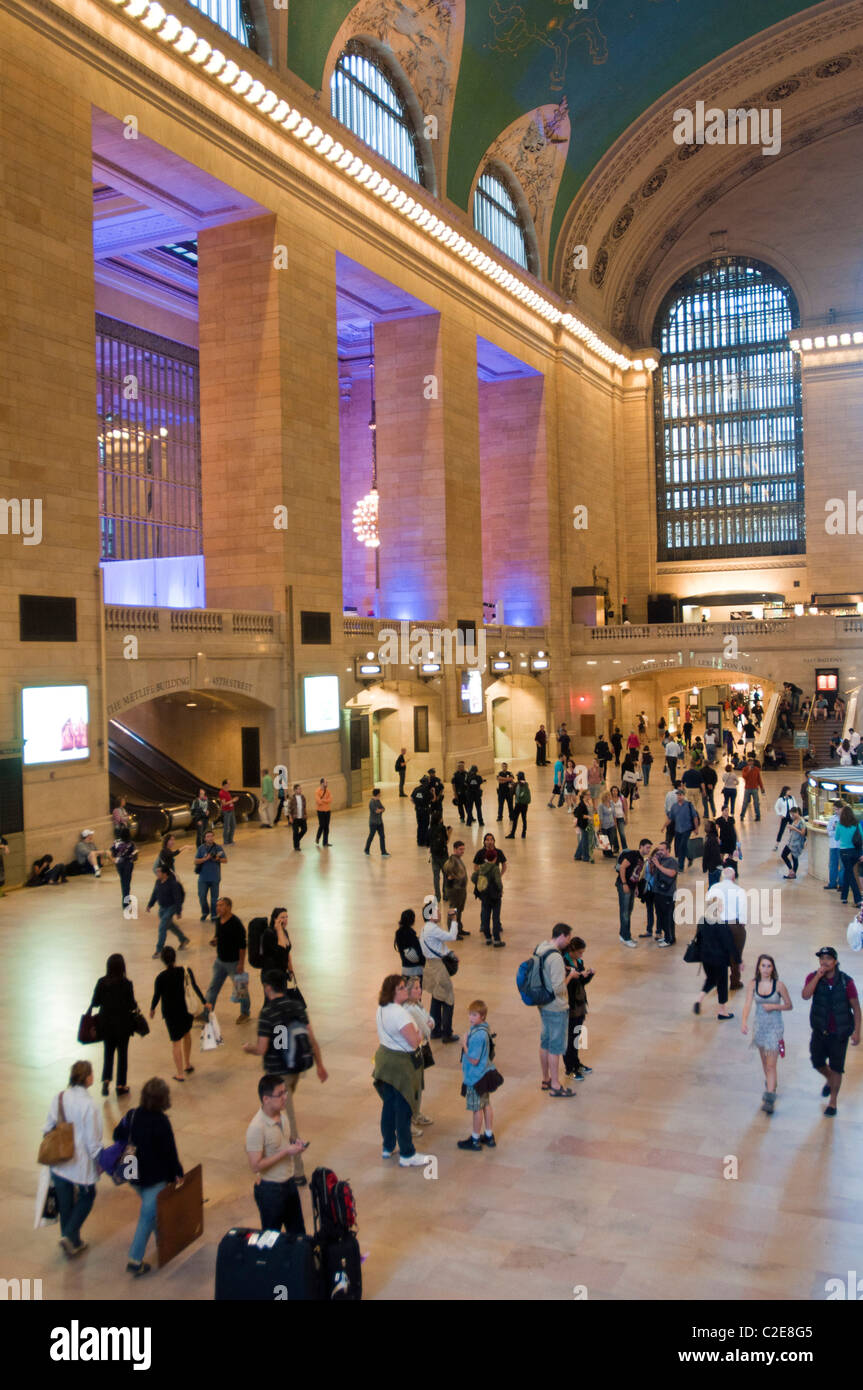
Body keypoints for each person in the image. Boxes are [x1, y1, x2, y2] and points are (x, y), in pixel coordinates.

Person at [243, 968, 327, 1186]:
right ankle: (275, 1149)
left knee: (286, 1118)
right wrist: (320, 1065)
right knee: (280, 1113)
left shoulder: (268, 1012)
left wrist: (248, 1048)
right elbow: (311, 1037)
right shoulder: (297, 1006)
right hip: (296, 1069)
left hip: (277, 1074)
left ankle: (297, 1170)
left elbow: (262, 1048)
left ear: (268, 988)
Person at [113, 1077, 184, 1276]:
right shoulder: (161, 1122)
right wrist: (177, 1173)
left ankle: (163, 1240)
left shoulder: (133, 1114)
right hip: (155, 1178)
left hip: (134, 1175)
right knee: (147, 1216)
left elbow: (117, 1134)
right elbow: (170, 1153)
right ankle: (135, 1260)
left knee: (151, 1209)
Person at [42, 1060, 103, 1258]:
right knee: (87, 1196)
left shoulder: (59, 1097)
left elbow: (48, 1126)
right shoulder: (89, 1106)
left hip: (59, 1161)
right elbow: (92, 1141)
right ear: (88, 1078)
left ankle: (72, 1242)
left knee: (65, 1200)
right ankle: (68, 1235)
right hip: (80, 1162)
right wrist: (101, 1161)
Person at [373, 975, 430, 1167]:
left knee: (388, 1106)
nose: (406, 990)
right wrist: (420, 1034)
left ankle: (388, 1146)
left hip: (384, 1061)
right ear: (393, 992)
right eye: (401, 988)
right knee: (403, 1110)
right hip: (400, 1065)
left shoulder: (382, 1008)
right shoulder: (400, 1014)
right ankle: (407, 1153)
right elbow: (414, 1043)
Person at [246, 1074, 308, 1234]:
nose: (285, 1097)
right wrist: (286, 1151)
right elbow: (255, 1165)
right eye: (280, 1094)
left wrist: (295, 1143)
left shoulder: (282, 1116)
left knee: (298, 1235)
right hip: (270, 1190)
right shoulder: (256, 1128)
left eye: (285, 1092)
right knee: (271, 1238)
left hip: (289, 1183)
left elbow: (285, 1141)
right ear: (266, 1099)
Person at [802, 947, 861, 1116]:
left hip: (839, 1034)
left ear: (835, 961)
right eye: (822, 959)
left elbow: (856, 1007)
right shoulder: (813, 977)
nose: (824, 962)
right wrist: (818, 977)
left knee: (837, 1068)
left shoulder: (846, 982)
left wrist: (857, 1031)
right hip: (820, 1031)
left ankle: (833, 1102)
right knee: (817, 1061)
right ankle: (829, 1079)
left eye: (828, 958)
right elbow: (805, 995)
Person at [740, 955, 793, 1114]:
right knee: (765, 1064)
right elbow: (748, 1004)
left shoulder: (779, 986)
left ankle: (769, 1098)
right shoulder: (752, 984)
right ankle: (771, 1085)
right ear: (758, 967)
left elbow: (789, 1005)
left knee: (771, 1065)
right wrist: (744, 1021)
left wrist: (774, 1006)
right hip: (760, 1027)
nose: (766, 969)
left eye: (769, 966)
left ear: (773, 969)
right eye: (763, 966)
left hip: (775, 1028)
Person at [150, 945, 206, 1081]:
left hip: (170, 1013)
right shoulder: (185, 971)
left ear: (162, 960)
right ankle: (187, 1064)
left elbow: (156, 996)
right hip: (185, 1010)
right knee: (187, 1034)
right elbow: (195, 986)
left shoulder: (160, 977)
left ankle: (180, 1073)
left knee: (176, 1043)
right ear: (175, 957)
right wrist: (204, 1002)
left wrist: (152, 1009)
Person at [536, 924, 577, 1097]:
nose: (568, 942)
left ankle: (545, 1079)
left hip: (542, 1003)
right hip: (556, 1006)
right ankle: (555, 1084)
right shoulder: (556, 958)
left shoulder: (541, 947)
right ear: (561, 936)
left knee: (545, 1042)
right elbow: (559, 988)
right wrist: (570, 976)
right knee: (556, 1046)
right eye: (568, 938)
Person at [90, 953, 138, 1097]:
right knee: (122, 1055)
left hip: (105, 1025)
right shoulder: (127, 984)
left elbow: (95, 1002)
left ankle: (106, 1081)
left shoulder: (101, 982)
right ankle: (121, 1085)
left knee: (108, 1053)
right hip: (123, 1025)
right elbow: (131, 1004)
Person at [457, 1000, 498, 1151]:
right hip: (485, 1074)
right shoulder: (484, 1030)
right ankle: (489, 1135)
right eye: (470, 1014)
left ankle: (474, 1138)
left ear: (482, 1016)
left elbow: (473, 1059)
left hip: (476, 1077)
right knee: (486, 1104)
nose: (471, 1018)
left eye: (474, 1015)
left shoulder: (477, 1036)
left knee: (477, 1109)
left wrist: (464, 1044)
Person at [205, 897, 251, 1024]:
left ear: (229, 907)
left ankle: (245, 1012)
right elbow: (219, 936)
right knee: (212, 988)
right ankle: (207, 1013)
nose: (218, 908)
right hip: (219, 962)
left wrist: (241, 964)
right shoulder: (218, 921)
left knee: (241, 990)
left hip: (234, 963)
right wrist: (215, 940)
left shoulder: (236, 924)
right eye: (217, 905)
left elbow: (242, 946)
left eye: (222, 905)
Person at [421, 896, 460, 1040]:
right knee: (448, 997)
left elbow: (437, 946)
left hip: (431, 965)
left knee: (437, 997)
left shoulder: (426, 928)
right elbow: (452, 936)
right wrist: (454, 920)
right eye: (437, 911)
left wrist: (449, 952)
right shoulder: (432, 929)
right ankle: (447, 1033)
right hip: (439, 966)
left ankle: (436, 1030)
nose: (440, 913)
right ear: (430, 915)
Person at [705, 865, 748, 990]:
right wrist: (741, 925)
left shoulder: (714, 888)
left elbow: (708, 905)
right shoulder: (739, 890)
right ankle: (735, 981)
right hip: (734, 925)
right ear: (734, 878)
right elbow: (743, 913)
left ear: (721, 877)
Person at [692, 915, 741, 1020]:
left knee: (711, 979)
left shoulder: (702, 921)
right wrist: (738, 960)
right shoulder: (722, 925)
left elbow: (698, 937)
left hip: (705, 957)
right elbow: (730, 944)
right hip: (719, 959)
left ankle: (699, 1000)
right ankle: (722, 1012)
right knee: (722, 983)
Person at [404, 976, 434, 1130]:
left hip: (420, 1049)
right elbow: (427, 1028)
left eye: (419, 986)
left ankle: (416, 1113)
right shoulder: (410, 1009)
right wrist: (428, 1025)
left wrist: (428, 1024)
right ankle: (411, 1117)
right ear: (408, 992)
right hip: (413, 1052)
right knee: (413, 1086)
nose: (419, 990)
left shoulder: (418, 1005)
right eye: (415, 988)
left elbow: (431, 1020)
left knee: (419, 1085)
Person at [561, 936, 593, 1083]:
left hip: (580, 1003)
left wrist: (587, 975)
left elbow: (581, 982)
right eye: (580, 952)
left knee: (577, 1035)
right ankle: (569, 1068)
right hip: (569, 1004)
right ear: (572, 951)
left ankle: (576, 1063)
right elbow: (562, 986)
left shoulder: (579, 962)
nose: (581, 956)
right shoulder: (563, 962)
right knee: (570, 1037)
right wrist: (572, 976)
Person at [471, 833, 507, 945]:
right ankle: (496, 939)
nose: (489, 841)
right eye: (487, 839)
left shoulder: (482, 867)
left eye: (491, 839)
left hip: (484, 892)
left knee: (485, 912)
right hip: (494, 893)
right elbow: (498, 883)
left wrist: (481, 881)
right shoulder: (495, 868)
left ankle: (487, 936)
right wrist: (500, 888)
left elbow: (473, 876)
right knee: (495, 915)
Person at [146, 866, 189, 957]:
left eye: (158, 872)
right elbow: (155, 894)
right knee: (170, 925)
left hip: (171, 907)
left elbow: (178, 898)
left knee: (162, 927)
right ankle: (183, 939)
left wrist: (178, 911)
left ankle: (159, 950)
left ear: (165, 873)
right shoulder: (158, 882)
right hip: (162, 908)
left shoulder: (173, 884)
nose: (157, 873)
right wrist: (150, 904)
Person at [616, 839, 652, 947]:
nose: (649, 850)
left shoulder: (641, 858)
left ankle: (624, 935)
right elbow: (622, 867)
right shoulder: (632, 855)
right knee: (625, 912)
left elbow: (635, 874)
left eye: (649, 848)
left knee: (628, 911)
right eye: (647, 847)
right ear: (641, 846)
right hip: (624, 886)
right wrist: (624, 884)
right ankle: (626, 937)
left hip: (631, 887)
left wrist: (635, 887)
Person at [647, 842, 678, 945]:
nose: (660, 852)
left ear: (668, 850)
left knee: (668, 917)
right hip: (658, 892)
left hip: (667, 894)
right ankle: (667, 936)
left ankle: (669, 939)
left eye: (662, 850)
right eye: (659, 849)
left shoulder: (672, 861)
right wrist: (651, 864)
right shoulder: (659, 860)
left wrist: (658, 865)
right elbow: (653, 873)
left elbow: (672, 873)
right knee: (660, 916)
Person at [193, 829, 226, 923]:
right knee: (202, 896)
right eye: (208, 836)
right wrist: (205, 859)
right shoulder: (201, 848)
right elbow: (195, 861)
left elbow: (225, 860)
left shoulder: (218, 847)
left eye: (211, 836)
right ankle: (205, 911)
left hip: (215, 877)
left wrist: (217, 859)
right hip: (203, 878)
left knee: (214, 899)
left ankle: (214, 915)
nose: (210, 838)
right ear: (204, 838)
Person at [666, 788, 699, 871]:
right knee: (678, 847)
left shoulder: (689, 805)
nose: (679, 796)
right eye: (678, 795)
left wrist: (696, 828)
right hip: (677, 830)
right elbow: (670, 818)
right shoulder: (674, 806)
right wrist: (664, 826)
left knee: (682, 847)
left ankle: (680, 866)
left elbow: (695, 817)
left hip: (686, 829)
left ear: (684, 796)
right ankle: (690, 857)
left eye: (680, 795)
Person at [836, 805, 863, 906]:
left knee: (850, 874)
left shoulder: (839, 824)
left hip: (844, 852)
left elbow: (836, 838)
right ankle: (844, 897)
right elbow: (862, 836)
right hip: (855, 852)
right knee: (848, 872)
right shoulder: (856, 824)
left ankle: (858, 899)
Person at [442, 840, 470, 938]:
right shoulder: (451, 861)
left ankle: (459, 929)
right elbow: (448, 876)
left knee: (459, 910)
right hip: (455, 890)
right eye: (460, 849)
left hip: (461, 889)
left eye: (463, 849)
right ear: (454, 849)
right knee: (453, 910)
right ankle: (452, 931)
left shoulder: (458, 859)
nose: (462, 851)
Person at [260, 906, 295, 982]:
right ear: (275, 919)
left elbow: (287, 952)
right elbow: (281, 951)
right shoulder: (269, 933)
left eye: (286, 917)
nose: (285, 920)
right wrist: (279, 930)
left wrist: (291, 970)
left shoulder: (284, 932)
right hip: (271, 975)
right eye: (282, 917)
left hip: (281, 974)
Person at [109, 823, 138, 912]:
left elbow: (111, 852)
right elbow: (134, 855)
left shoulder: (116, 843)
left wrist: (113, 860)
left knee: (123, 881)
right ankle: (125, 901)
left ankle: (126, 897)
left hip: (119, 864)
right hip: (128, 864)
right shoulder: (131, 844)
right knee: (127, 882)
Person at [394, 907, 424, 981]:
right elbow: (419, 953)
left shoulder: (398, 934)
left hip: (405, 969)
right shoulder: (412, 935)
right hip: (416, 970)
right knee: (416, 990)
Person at [824, 800, 844, 892]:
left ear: (841, 809)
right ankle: (832, 883)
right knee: (832, 865)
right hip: (833, 845)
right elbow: (829, 831)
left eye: (837, 809)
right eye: (834, 809)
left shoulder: (845, 819)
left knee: (842, 865)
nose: (836, 811)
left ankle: (842, 884)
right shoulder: (832, 818)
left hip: (842, 846)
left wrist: (835, 831)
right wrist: (836, 831)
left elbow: (843, 833)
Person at [781, 808, 807, 879]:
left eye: (793, 814)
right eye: (791, 815)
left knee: (794, 858)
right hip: (791, 842)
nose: (792, 816)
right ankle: (791, 870)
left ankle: (793, 874)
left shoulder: (801, 821)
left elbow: (803, 833)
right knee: (784, 855)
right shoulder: (795, 820)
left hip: (797, 843)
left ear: (797, 812)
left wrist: (793, 828)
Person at [739, 757, 765, 823]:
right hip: (747, 788)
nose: (750, 763)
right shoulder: (745, 769)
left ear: (753, 762)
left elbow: (759, 779)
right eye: (749, 762)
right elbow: (744, 776)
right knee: (745, 803)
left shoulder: (757, 769)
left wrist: (762, 788)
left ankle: (758, 816)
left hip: (754, 788)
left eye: (751, 761)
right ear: (748, 763)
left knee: (756, 803)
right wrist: (749, 770)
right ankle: (742, 815)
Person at [429, 819, 451, 898]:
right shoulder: (442, 828)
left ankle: (437, 895)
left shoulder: (430, 829)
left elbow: (427, 842)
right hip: (444, 855)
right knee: (446, 875)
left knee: (436, 876)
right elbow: (446, 841)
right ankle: (445, 894)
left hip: (434, 855)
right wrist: (449, 832)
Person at [364, 787, 389, 856]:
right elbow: (376, 811)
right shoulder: (372, 802)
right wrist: (380, 810)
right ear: (378, 794)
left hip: (379, 822)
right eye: (380, 793)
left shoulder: (378, 801)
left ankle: (383, 852)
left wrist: (380, 810)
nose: (380, 794)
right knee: (371, 836)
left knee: (382, 836)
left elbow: (383, 808)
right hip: (373, 823)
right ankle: (366, 849)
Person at [507, 770, 531, 838]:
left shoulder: (516, 784)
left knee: (515, 819)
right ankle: (523, 833)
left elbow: (512, 793)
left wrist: (510, 787)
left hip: (518, 804)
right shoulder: (526, 784)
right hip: (525, 804)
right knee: (524, 818)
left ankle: (512, 834)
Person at [773, 786, 797, 850]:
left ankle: (793, 844)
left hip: (791, 817)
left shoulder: (792, 798)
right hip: (784, 817)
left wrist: (795, 814)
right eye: (788, 791)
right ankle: (776, 845)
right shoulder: (780, 799)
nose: (789, 792)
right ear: (785, 791)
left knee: (792, 830)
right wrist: (780, 814)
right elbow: (776, 807)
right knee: (781, 830)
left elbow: (795, 806)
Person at [573, 790, 594, 862]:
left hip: (589, 824)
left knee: (583, 840)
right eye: (588, 795)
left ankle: (577, 855)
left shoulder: (588, 803)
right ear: (584, 795)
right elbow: (580, 815)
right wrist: (588, 817)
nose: (589, 796)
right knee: (585, 841)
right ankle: (585, 856)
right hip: (584, 824)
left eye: (590, 795)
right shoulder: (581, 804)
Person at [412, 775, 432, 845]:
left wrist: (416, 804)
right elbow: (433, 799)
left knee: (420, 825)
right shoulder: (427, 790)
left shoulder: (416, 789)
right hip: (425, 810)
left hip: (418, 810)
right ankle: (425, 841)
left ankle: (419, 841)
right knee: (425, 825)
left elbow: (411, 798)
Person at [702, 821, 723, 887]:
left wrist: (704, 867)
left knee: (712, 887)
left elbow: (706, 854)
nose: (705, 827)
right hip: (719, 865)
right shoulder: (715, 838)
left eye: (707, 826)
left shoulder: (709, 840)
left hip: (712, 867)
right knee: (716, 885)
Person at [287, 784, 307, 851]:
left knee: (304, 829)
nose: (300, 790)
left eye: (300, 789)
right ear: (295, 790)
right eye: (298, 789)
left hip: (302, 817)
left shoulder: (303, 797)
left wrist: (305, 814)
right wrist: (290, 817)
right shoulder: (292, 798)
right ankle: (296, 846)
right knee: (295, 832)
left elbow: (304, 807)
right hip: (295, 817)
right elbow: (289, 809)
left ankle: (297, 839)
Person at [218, 779, 238, 846]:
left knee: (233, 825)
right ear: (225, 784)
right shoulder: (222, 793)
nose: (229, 785)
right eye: (228, 784)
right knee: (226, 827)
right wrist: (233, 800)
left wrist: (232, 801)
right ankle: (226, 841)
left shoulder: (227, 792)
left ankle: (230, 840)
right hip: (227, 811)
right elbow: (224, 804)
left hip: (231, 810)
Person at [314, 777, 332, 847]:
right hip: (320, 811)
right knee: (322, 825)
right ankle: (317, 837)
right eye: (326, 782)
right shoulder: (317, 791)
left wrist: (324, 800)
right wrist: (325, 800)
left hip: (327, 811)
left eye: (327, 782)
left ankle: (325, 842)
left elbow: (330, 800)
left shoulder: (328, 791)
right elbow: (319, 802)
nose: (327, 783)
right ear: (322, 783)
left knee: (326, 826)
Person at [609, 785, 628, 849]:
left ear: (618, 791)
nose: (614, 792)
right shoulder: (609, 799)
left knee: (622, 833)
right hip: (612, 819)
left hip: (620, 818)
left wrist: (626, 817)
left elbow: (625, 808)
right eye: (613, 791)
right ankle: (616, 847)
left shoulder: (621, 798)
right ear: (611, 792)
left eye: (616, 791)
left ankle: (625, 848)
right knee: (614, 834)